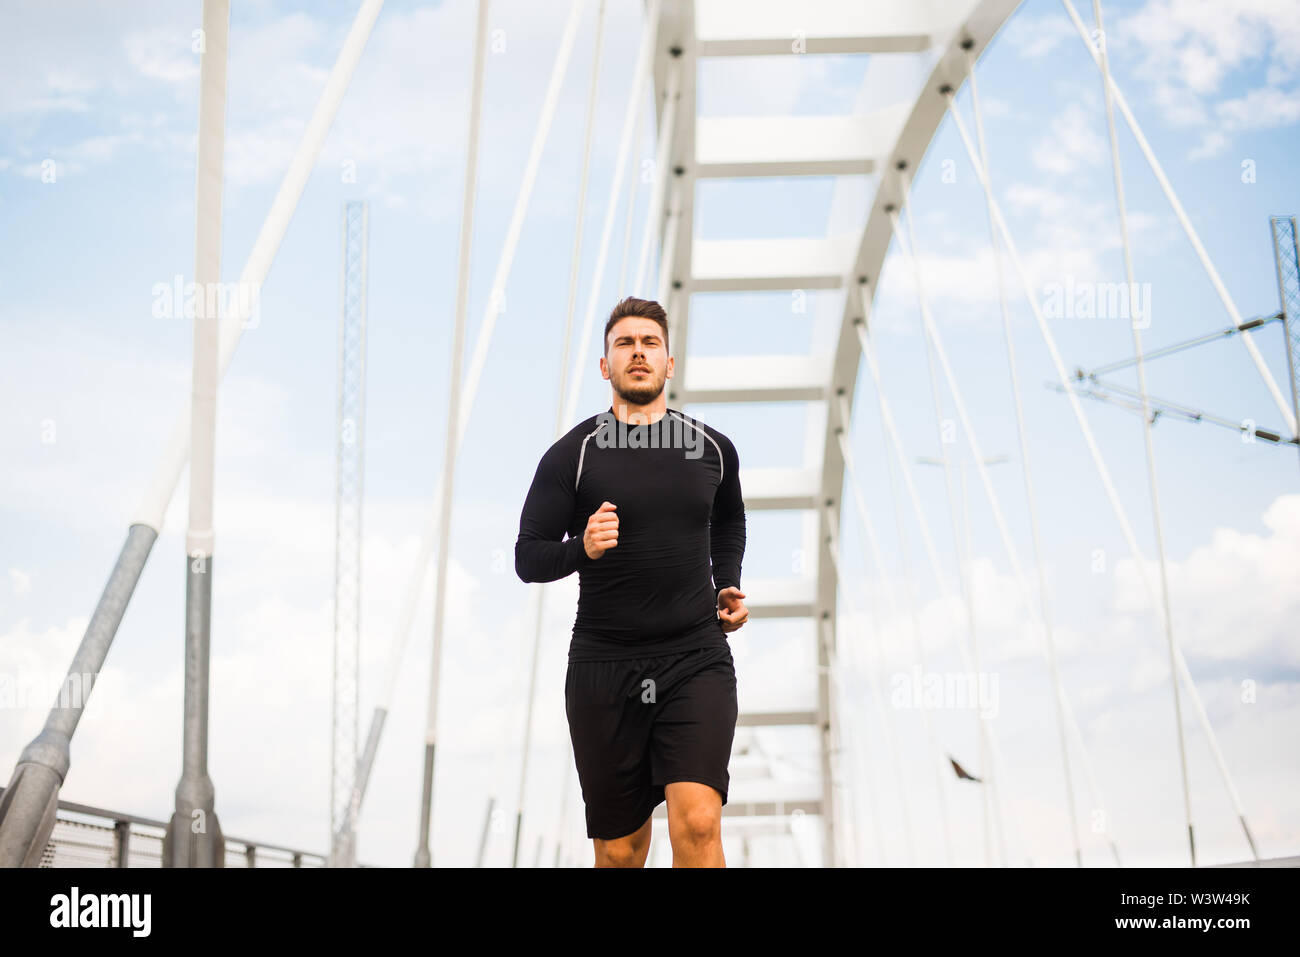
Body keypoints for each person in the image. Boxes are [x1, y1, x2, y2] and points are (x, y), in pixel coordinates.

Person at [514, 296, 748, 867]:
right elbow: (527, 557)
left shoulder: (713, 449)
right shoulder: (571, 456)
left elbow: (729, 520)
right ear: (605, 366)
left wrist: (727, 583)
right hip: (605, 666)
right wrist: (581, 549)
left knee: (698, 823)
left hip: (694, 656)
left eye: (650, 344)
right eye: (624, 344)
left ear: (670, 363)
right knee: (621, 853)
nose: (637, 353)